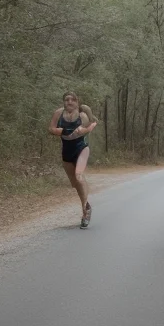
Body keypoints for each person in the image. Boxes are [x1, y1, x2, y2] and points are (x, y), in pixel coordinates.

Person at [48, 91, 98, 228]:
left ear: (77, 102)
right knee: (75, 183)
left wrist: (84, 130)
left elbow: (91, 125)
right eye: (66, 99)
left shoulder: (82, 115)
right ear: (63, 102)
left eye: (73, 100)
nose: (69, 102)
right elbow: (50, 128)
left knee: (79, 176)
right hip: (66, 150)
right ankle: (86, 204)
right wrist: (58, 131)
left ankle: (85, 211)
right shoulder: (58, 113)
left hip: (81, 148)